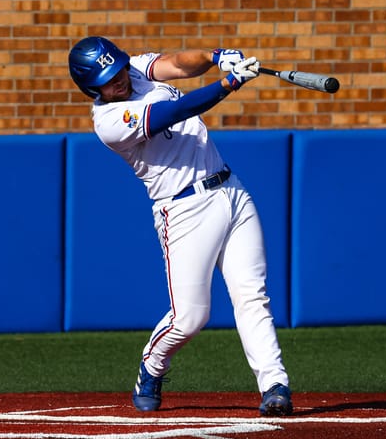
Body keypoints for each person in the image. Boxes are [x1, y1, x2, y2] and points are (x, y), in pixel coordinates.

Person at [68, 37, 292, 416]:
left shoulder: (134, 69)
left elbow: (178, 63)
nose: (118, 80)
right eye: (107, 79)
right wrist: (227, 84)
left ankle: (275, 385)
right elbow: (170, 112)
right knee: (190, 317)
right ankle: (152, 366)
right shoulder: (108, 123)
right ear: (92, 86)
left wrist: (216, 57)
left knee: (252, 295)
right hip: (185, 210)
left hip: (231, 190)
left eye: (118, 69)